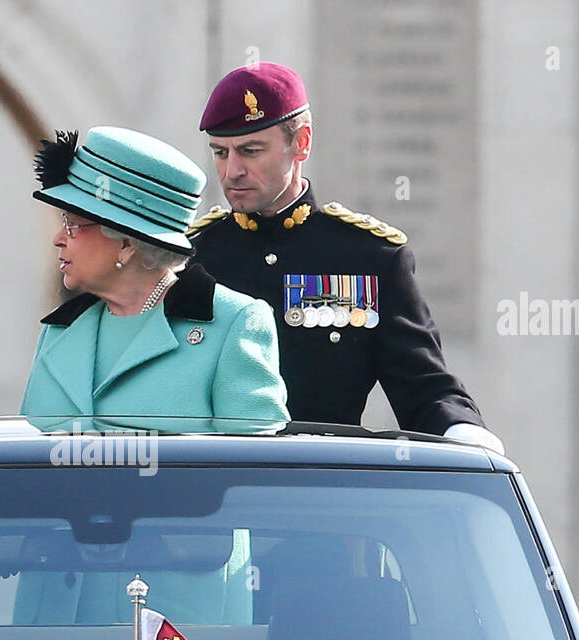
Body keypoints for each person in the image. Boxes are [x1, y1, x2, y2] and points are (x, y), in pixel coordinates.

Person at [16, 126, 288, 624]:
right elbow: (28, 473)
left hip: (178, 625)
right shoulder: (62, 332)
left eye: (74, 224)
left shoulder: (231, 324)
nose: (58, 237)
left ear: (126, 241)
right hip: (54, 618)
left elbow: (256, 490)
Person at [190, 62, 505, 454]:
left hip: (323, 485)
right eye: (221, 153)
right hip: (211, 485)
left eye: (251, 151)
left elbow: (422, 386)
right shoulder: (192, 257)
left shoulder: (369, 258)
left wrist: (464, 433)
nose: (232, 170)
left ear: (301, 142)